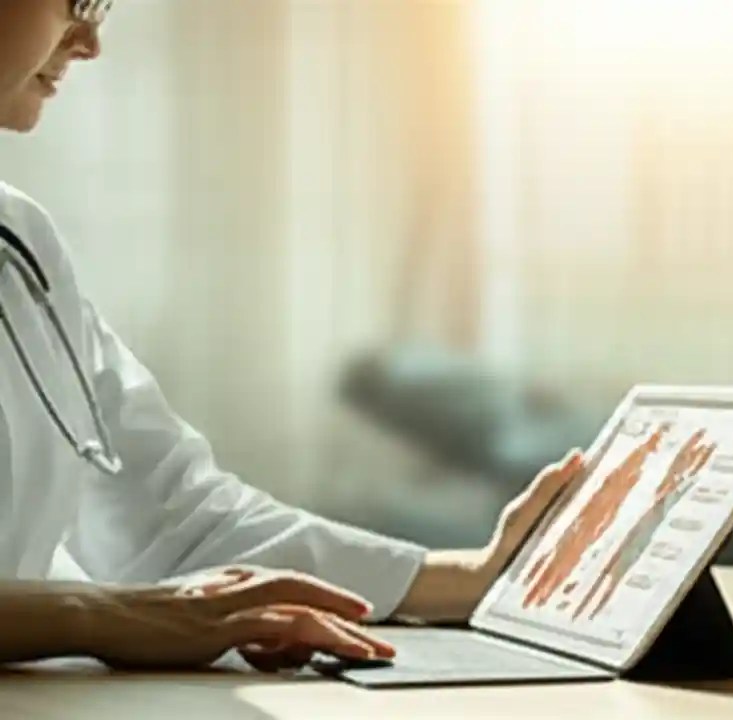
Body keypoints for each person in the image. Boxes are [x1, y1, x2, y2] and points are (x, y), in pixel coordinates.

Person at [0, 0, 582, 671]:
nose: (90, 40)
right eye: (78, 0)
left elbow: (178, 522)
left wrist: (473, 578)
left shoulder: (21, 243)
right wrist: (93, 616)